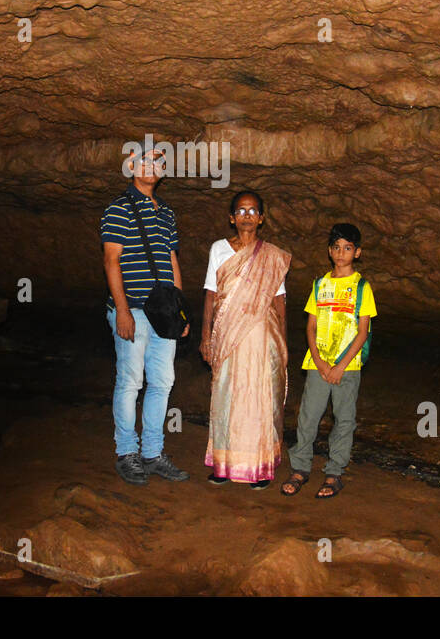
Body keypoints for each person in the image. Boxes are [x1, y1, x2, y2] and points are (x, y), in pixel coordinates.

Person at [100, 147, 190, 486]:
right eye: (144, 160)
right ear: (131, 167)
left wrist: (180, 312)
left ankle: (152, 453)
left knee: (162, 382)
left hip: (163, 313)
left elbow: (172, 261)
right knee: (130, 382)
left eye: (158, 162)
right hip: (132, 309)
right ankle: (127, 453)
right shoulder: (118, 209)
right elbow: (111, 261)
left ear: (163, 171)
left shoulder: (166, 212)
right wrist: (123, 310)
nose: (151, 166)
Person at [200, 190, 292, 489]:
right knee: (226, 395)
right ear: (231, 217)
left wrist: (283, 343)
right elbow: (211, 294)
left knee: (259, 399)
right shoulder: (219, 250)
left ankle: (260, 468)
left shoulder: (272, 256)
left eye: (253, 211)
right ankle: (224, 465)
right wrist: (206, 336)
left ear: (261, 218)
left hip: (262, 337)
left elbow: (279, 300)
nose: (247, 216)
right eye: (241, 211)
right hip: (227, 334)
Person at [282, 223, 376, 499]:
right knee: (308, 417)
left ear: (357, 252)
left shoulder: (362, 287)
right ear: (329, 251)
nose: (341, 253)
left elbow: (362, 332)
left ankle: (334, 473)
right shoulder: (320, 284)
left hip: (348, 366)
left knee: (344, 420)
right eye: (336, 247)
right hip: (317, 365)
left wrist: (340, 366)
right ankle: (300, 468)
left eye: (347, 248)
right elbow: (310, 326)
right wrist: (321, 363)